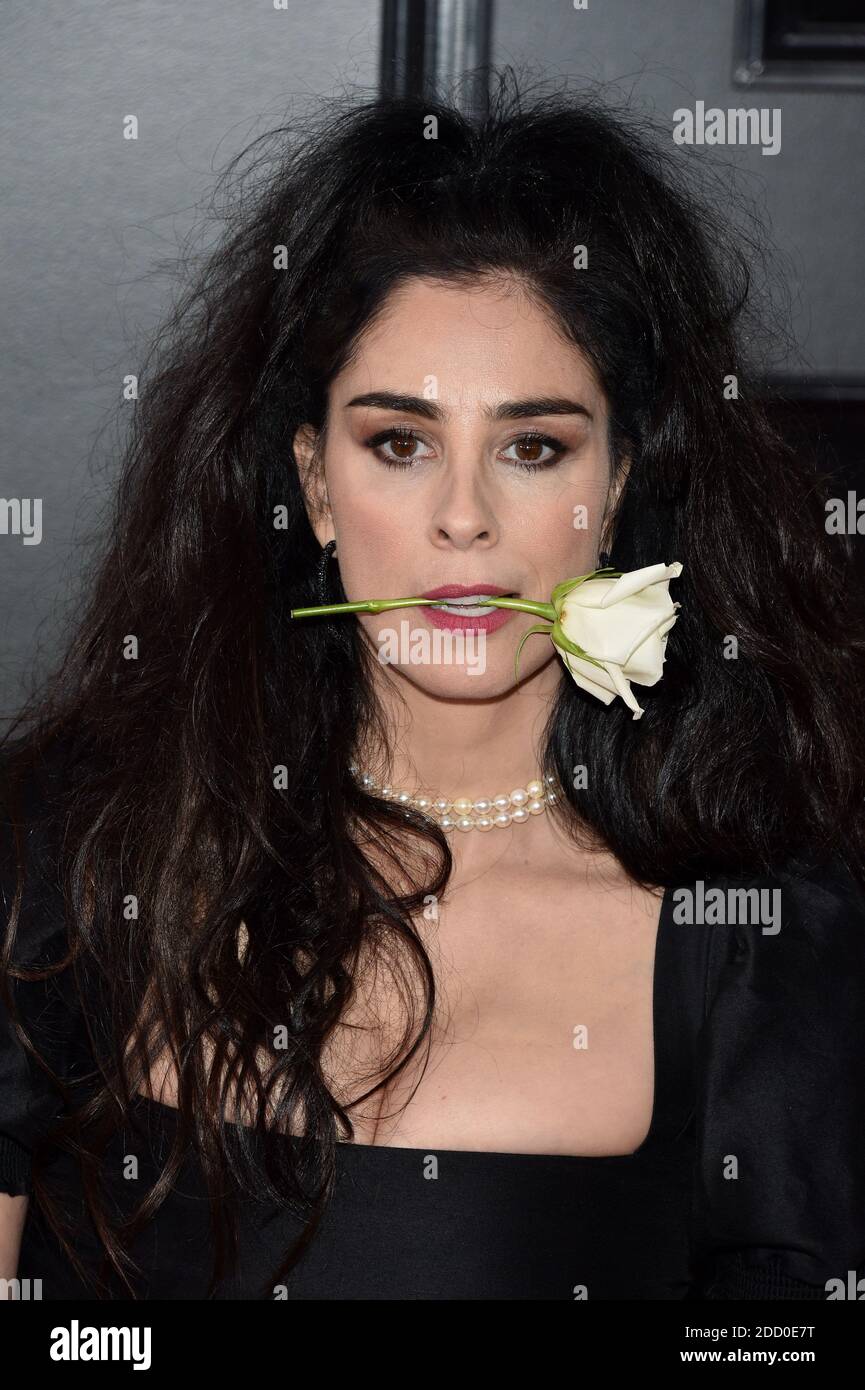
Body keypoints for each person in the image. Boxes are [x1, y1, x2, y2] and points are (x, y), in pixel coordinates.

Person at [1, 72, 864, 1301]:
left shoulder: (761, 956)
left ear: (613, 490)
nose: (462, 517)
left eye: (533, 447)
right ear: (312, 481)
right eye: (398, 444)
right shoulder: (67, 859)